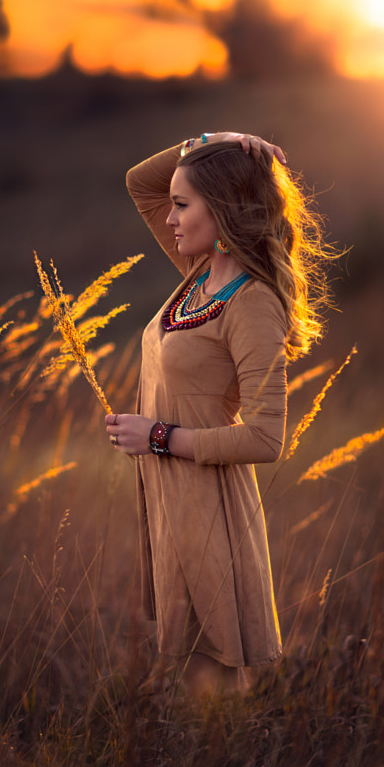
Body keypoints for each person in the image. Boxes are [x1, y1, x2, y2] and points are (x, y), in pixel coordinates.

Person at [105, 131, 329, 696]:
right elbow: (141, 183)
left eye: (183, 205)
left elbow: (263, 439)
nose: (171, 217)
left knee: (211, 684)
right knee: (185, 680)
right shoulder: (199, 274)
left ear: (224, 210)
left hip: (209, 508)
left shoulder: (251, 304)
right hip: (168, 499)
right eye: (174, 205)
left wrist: (158, 436)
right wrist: (210, 139)